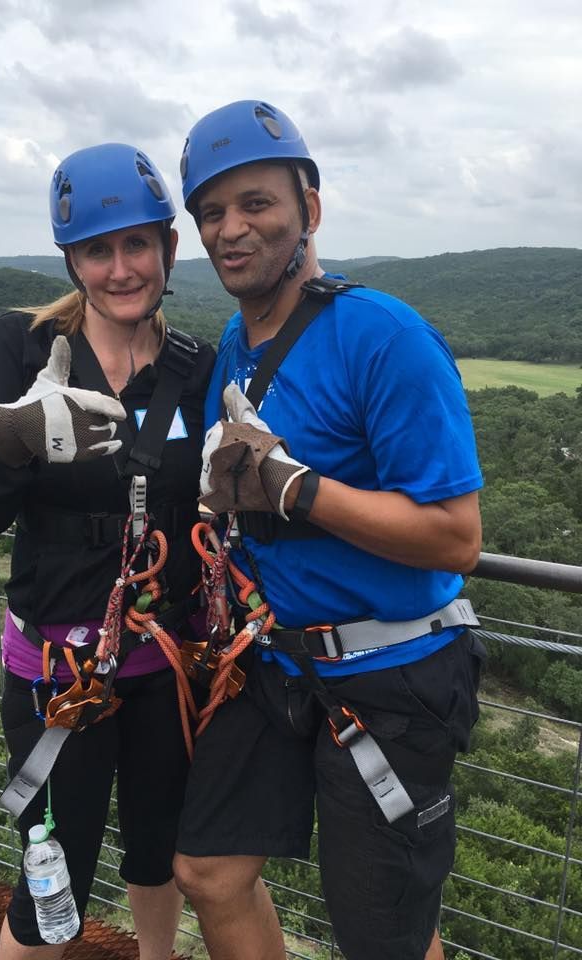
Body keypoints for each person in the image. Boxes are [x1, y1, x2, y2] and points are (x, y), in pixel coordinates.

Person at [171, 100, 486, 960]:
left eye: (256, 204)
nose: (230, 230)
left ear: (310, 207)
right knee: (207, 868)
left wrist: (297, 491)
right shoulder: (234, 349)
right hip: (278, 661)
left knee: (381, 937)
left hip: (391, 674)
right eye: (211, 213)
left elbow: (457, 537)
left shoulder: (381, 336)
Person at [0, 142, 215, 960]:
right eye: (99, 250)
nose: (122, 267)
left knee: (158, 858)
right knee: (50, 882)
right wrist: (19, 438)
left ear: (168, 250)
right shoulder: (22, 348)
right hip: (58, 677)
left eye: (139, 245)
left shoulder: (193, 369)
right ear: (73, 259)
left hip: (163, 669)